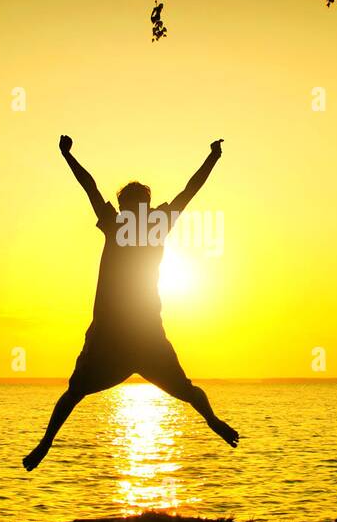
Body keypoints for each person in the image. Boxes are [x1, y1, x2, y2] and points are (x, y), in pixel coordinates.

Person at [23, 135, 240, 471]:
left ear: (127, 205)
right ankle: (213, 420)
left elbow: (91, 188)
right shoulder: (157, 222)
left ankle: (45, 443)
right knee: (186, 390)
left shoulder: (118, 223)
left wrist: (68, 155)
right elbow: (189, 191)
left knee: (74, 392)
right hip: (143, 334)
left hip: (113, 336)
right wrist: (213, 157)